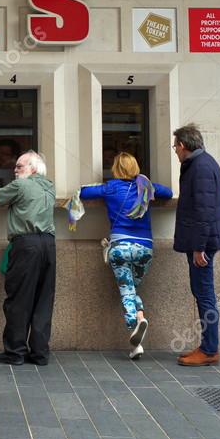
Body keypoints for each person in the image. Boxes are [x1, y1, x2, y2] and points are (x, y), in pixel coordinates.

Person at [78, 153, 173, 360]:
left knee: (127, 291)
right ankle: (138, 331)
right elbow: (169, 192)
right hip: (145, 249)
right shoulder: (146, 187)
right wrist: (146, 182)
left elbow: (84, 193)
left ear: (116, 169)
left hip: (121, 247)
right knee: (131, 289)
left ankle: (135, 323)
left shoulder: (111, 187)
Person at [0, 150, 56, 366]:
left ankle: (15, 352)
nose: (15, 170)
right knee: (43, 300)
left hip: (26, 245)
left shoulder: (20, 185)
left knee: (19, 299)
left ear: (33, 168)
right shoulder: (49, 186)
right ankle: (39, 353)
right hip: (48, 244)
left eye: (20, 166)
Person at [172, 124, 220, 367]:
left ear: (183, 146)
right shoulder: (202, 163)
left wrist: (199, 247)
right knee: (202, 293)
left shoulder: (201, 167)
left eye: (175, 146)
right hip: (202, 240)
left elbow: (204, 211)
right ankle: (207, 345)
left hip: (202, 243)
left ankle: (209, 349)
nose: (174, 151)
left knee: (204, 294)